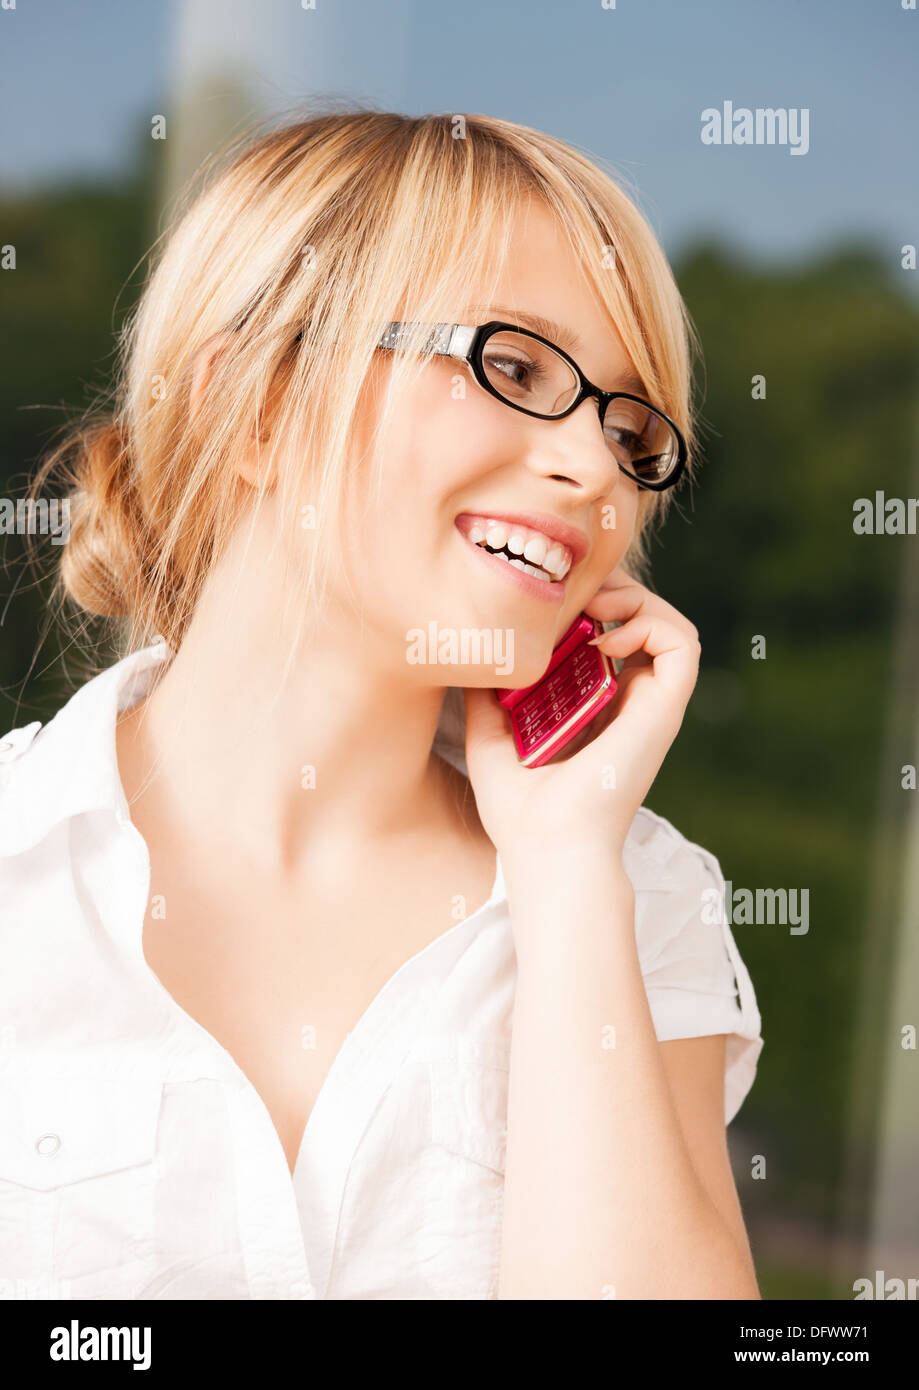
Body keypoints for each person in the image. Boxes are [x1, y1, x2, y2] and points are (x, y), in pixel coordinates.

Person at [1, 107, 763, 1300]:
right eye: (513, 368)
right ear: (258, 404)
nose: (593, 471)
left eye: (630, 431)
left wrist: (566, 868)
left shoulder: (638, 897)